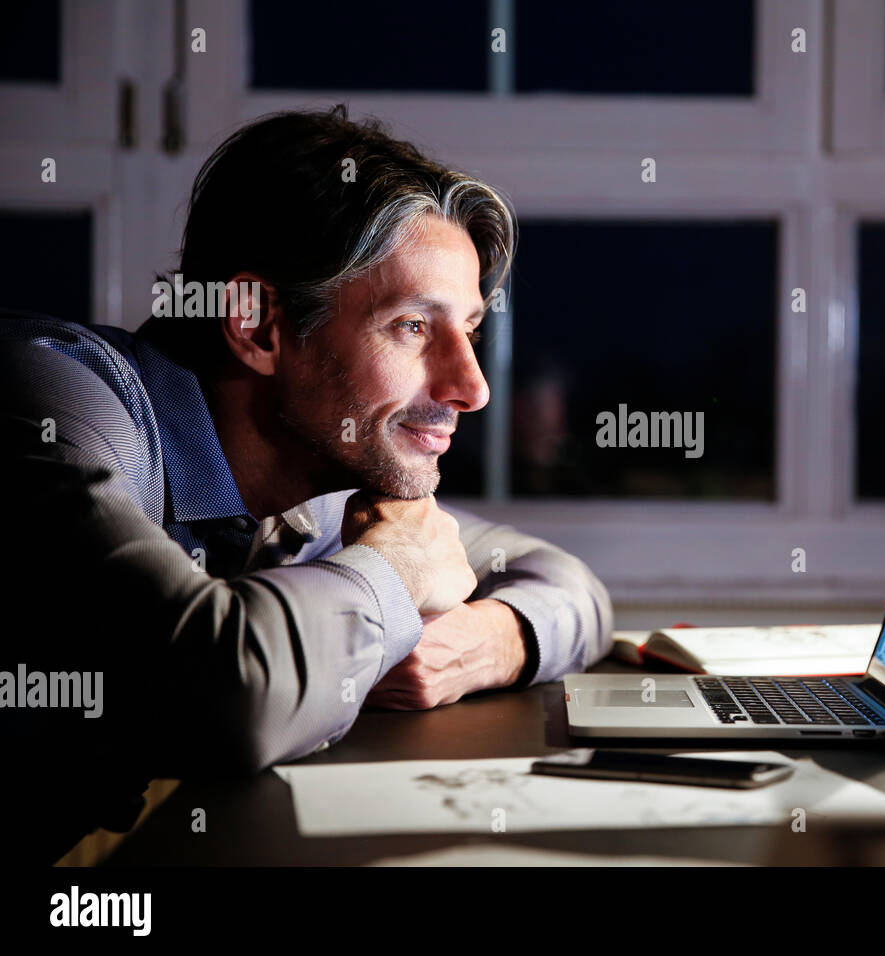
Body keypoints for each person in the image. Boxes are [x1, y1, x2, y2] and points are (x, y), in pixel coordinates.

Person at [0, 105, 612, 863]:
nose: (473, 386)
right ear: (259, 327)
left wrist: (493, 641)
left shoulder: (314, 482)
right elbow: (227, 693)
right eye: (414, 327)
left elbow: (570, 584)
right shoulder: (48, 401)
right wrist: (392, 573)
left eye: (471, 330)